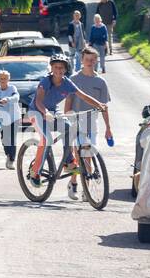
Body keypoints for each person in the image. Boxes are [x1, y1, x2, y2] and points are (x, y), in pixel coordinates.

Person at [27, 56, 107, 196]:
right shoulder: (45, 82)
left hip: (52, 111)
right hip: (36, 111)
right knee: (47, 140)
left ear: (65, 69)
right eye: (56, 67)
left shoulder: (67, 83)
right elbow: (39, 101)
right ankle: (35, 172)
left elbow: (82, 95)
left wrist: (99, 105)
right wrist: (45, 113)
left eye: (61, 67)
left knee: (70, 127)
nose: (59, 70)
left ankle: (69, 162)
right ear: (51, 68)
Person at [66, 46, 113, 199]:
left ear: (96, 61)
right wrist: (68, 118)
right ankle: (73, 184)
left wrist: (108, 128)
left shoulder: (100, 82)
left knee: (88, 153)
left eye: (93, 60)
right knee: (77, 154)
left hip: (92, 121)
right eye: (87, 60)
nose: (90, 62)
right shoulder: (73, 79)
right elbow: (68, 103)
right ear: (82, 60)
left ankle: (86, 186)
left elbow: (104, 107)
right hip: (75, 121)